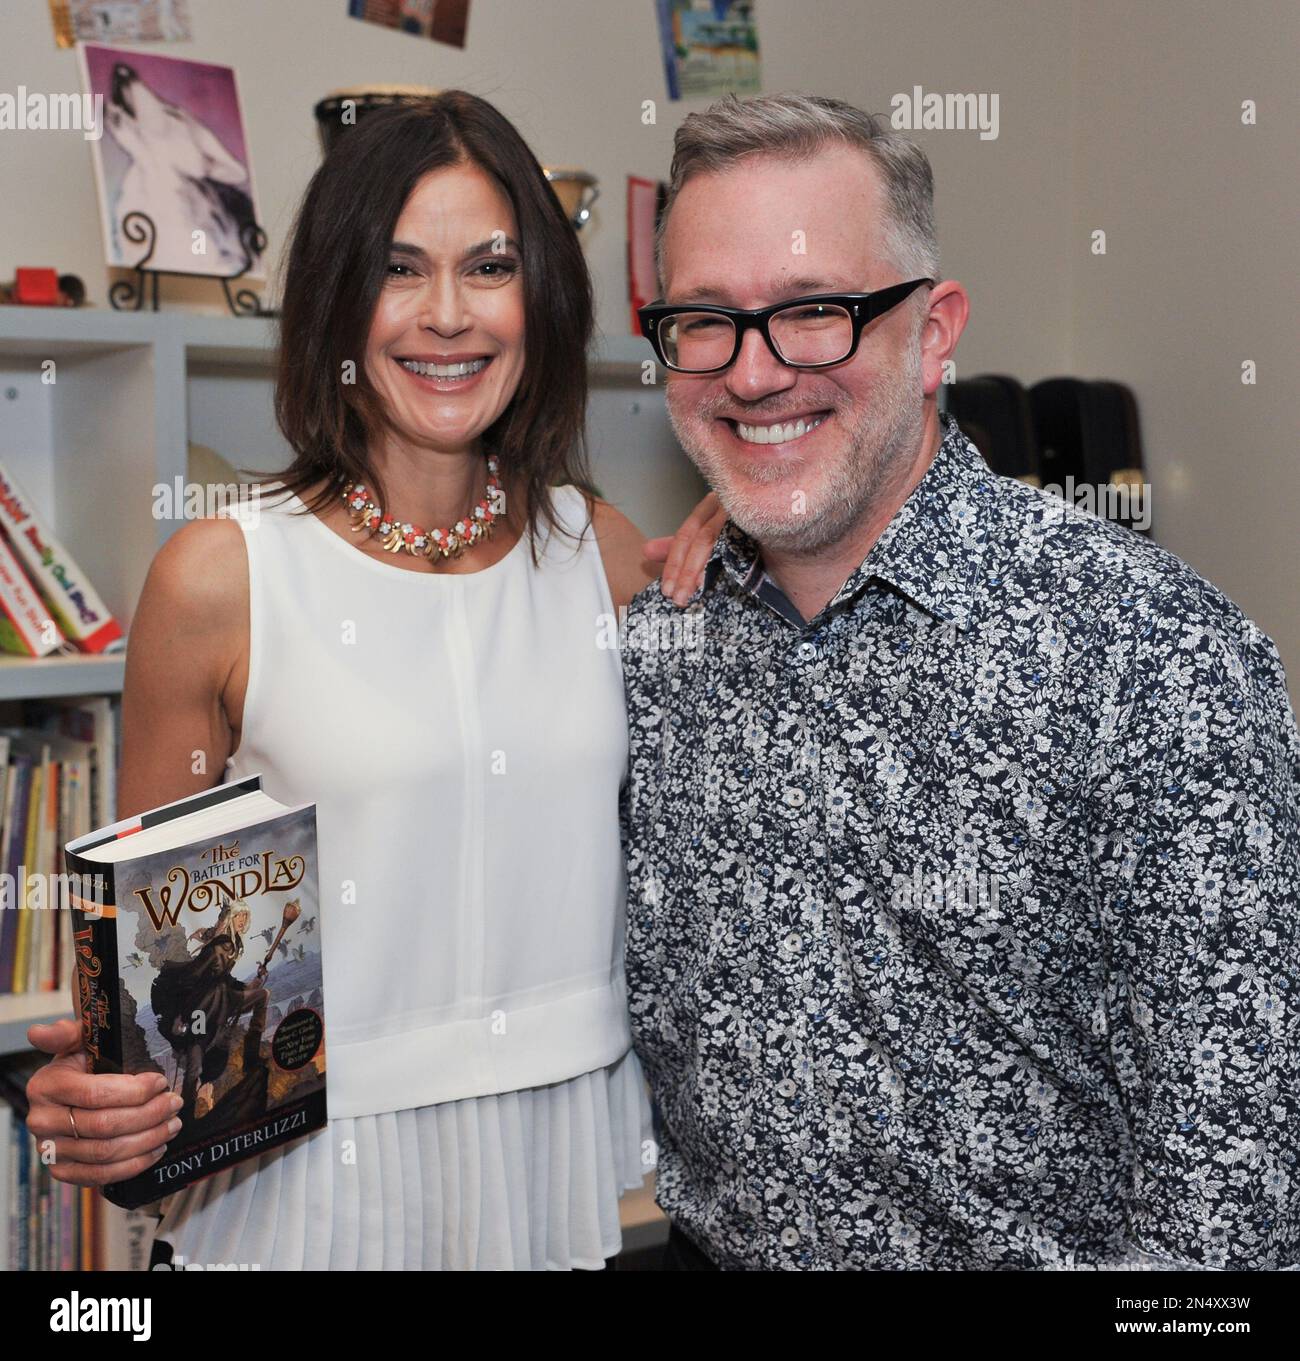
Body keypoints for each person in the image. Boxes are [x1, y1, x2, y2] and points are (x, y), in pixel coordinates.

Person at [24, 92, 722, 1271]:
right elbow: (153, 983)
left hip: (548, 1160)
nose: (446, 315)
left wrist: (749, 526)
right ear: (340, 301)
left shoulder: (600, 551)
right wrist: (104, 1098)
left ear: (538, 300)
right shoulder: (220, 576)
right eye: (400, 270)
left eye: (488, 265)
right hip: (305, 1190)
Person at [620, 92, 1300, 1270]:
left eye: (815, 314)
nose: (753, 370)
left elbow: (1231, 1218)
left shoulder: (1151, 660)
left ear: (934, 333)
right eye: (705, 322)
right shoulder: (658, 652)